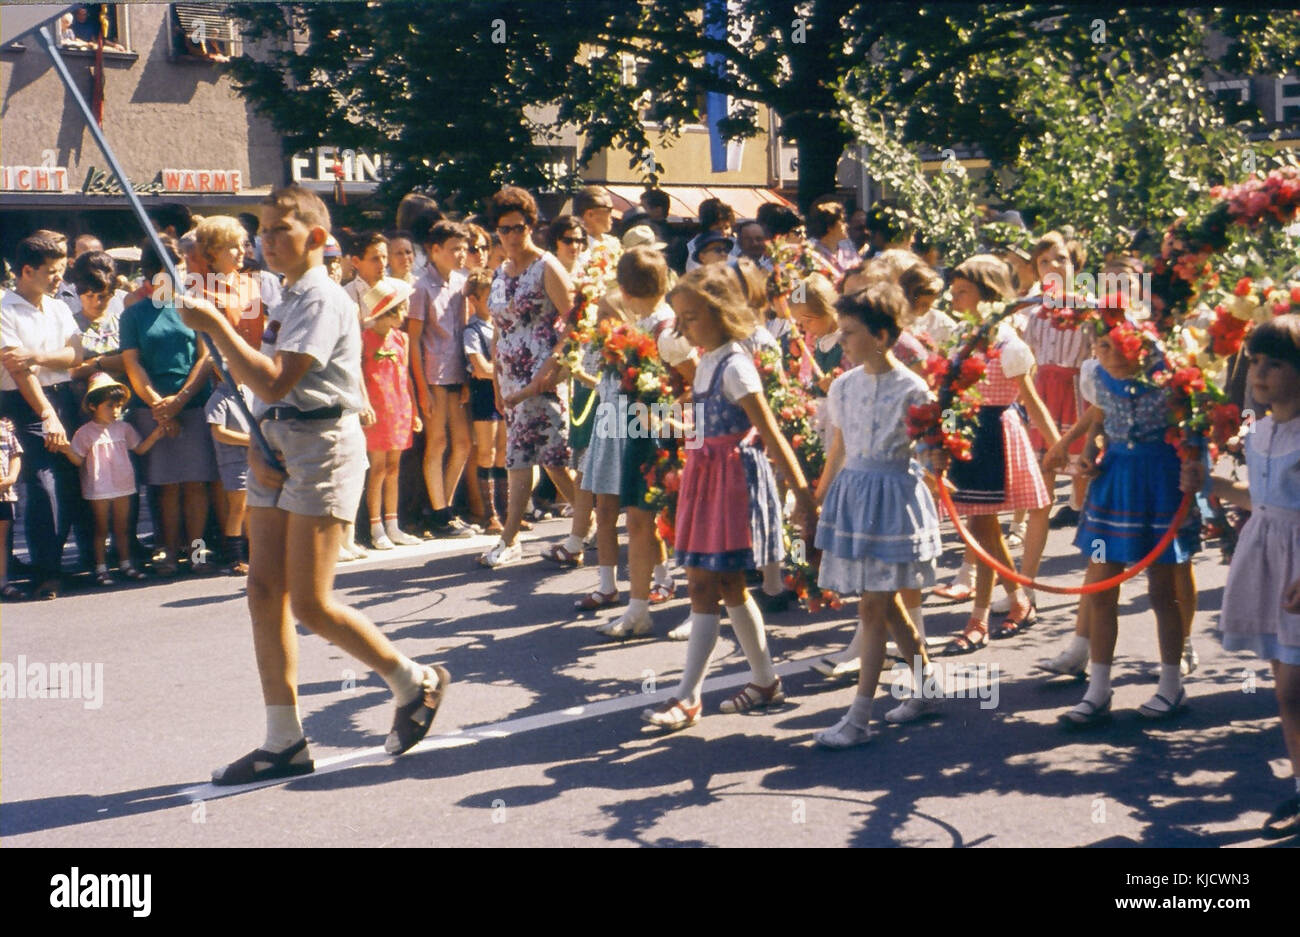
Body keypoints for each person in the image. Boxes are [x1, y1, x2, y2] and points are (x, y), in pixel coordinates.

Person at [176, 184, 449, 784]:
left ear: (318, 239)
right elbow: (266, 395)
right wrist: (256, 440)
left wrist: (217, 324)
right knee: (262, 593)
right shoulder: (289, 294)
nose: (266, 241)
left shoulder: (323, 298)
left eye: (280, 230)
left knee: (310, 601)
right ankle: (283, 740)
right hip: (277, 443)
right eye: (263, 231)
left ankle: (414, 681)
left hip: (322, 446)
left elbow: (276, 380)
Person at [642, 265, 815, 729]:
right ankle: (765, 680)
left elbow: (770, 432)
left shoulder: (736, 365)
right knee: (724, 586)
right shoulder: (707, 362)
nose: (682, 327)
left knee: (705, 584)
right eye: (679, 317)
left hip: (732, 482)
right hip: (706, 476)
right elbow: (709, 426)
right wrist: (682, 431)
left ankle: (687, 696)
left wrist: (801, 493)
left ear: (721, 314)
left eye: (691, 316)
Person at [1051, 315, 1202, 727]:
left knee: (1162, 588)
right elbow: (1100, 419)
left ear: (1140, 346)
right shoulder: (1097, 376)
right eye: (1101, 345)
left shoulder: (1169, 379)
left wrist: (1194, 473)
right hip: (1113, 485)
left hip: (1160, 485)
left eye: (1119, 344)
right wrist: (1087, 452)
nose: (1110, 353)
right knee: (1100, 586)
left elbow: (1194, 429)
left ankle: (1171, 685)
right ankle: (1098, 690)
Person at [813, 284, 944, 747]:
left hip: (892, 500)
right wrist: (822, 492)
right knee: (883, 604)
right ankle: (926, 686)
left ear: (883, 336)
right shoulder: (844, 386)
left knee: (874, 605)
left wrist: (939, 454)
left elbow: (928, 453)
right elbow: (841, 444)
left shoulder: (914, 388)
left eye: (851, 333)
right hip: (854, 496)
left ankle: (858, 717)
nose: (842, 341)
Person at [1187, 315, 1300, 837]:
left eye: (1275, 363)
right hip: (1271, 559)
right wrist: (1214, 486)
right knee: (1287, 691)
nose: (1260, 372)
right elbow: (1263, 500)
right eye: (1255, 361)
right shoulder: (1259, 432)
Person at [940, 255, 1058, 655]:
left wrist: (1056, 446)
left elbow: (1031, 401)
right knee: (984, 528)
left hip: (992, 434)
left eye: (962, 290)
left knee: (983, 528)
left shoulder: (1008, 343)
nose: (953, 296)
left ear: (986, 293)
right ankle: (1019, 601)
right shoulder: (963, 333)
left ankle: (979, 618)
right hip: (966, 431)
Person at [575, 248, 694, 633]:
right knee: (641, 519)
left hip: (660, 432)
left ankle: (696, 602)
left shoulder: (666, 330)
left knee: (670, 519)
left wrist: (667, 409)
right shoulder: (638, 328)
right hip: (636, 429)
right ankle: (637, 606)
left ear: (624, 292)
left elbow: (696, 380)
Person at [479, 186, 578, 568]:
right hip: (510, 376)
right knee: (519, 459)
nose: (512, 236)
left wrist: (553, 364)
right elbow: (498, 328)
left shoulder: (546, 265)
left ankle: (590, 524)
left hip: (542, 375)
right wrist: (495, 377)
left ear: (531, 227)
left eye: (519, 228)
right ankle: (512, 536)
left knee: (554, 459)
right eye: (504, 230)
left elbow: (574, 319)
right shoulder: (500, 273)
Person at [120, 234, 219, 577]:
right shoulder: (134, 314)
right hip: (151, 409)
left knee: (195, 485)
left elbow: (205, 358)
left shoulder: (195, 306)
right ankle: (169, 552)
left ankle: (195, 553)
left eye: (176, 266)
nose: (172, 274)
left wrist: (180, 400)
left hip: (192, 404)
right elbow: (133, 364)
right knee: (165, 488)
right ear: (149, 272)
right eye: (164, 268)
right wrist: (159, 405)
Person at [0, 231, 85, 599]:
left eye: (62, 269)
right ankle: (46, 573)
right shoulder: (4, 309)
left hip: (63, 396)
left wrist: (36, 357)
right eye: (51, 271)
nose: (59, 278)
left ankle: (67, 565)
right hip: (24, 403)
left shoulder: (59, 307)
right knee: (42, 485)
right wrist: (47, 414)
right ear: (26, 271)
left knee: (70, 483)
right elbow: (18, 373)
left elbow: (76, 355)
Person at [57, 373, 165, 584]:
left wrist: (156, 434)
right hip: (98, 487)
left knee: (123, 527)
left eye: (119, 406)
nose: (116, 411)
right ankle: (101, 568)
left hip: (123, 483)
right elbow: (78, 459)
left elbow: (140, 448)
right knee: (100, 528)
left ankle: (126, 564)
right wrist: (64, 448)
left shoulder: (124, 428)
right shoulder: (84, 432)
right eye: (109, 406)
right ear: (92, 406)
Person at [409, 220, 475, 538]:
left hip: (456, 372)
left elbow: (463, 330)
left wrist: (465, 378)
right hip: (432, 374)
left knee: (463, 443)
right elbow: (413, 340)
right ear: (434, 250)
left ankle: (445, 509)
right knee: (437, 442)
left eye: (464, 248)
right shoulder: (420, 286)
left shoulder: (462, 284)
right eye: (454, 249)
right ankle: (438, 512)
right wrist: (421, 388)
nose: (461, 255)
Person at [1024, 231, 1093, 530]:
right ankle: (1037, 514)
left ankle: (1081, 510)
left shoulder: (1088, 308)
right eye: (1044, 262)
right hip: (1044, 388)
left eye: (1061, 260)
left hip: (1076, 386)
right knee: (1044, 457)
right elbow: (1029, 353)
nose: (1052, 266)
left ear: (1076, 267)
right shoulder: (1034, 312)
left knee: (1078, 456)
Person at [360, 278, 423, 549]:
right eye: (401, 307)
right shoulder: (364, 338)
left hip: (399, 408)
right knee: (377, 468)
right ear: (388, 311)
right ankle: (376, 527)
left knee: (394, 468)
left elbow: (406, 376)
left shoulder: (402, 338)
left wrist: (414, 411)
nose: (405, 312)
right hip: (376, 410)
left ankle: (393, 524)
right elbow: (359, 375)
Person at [463, 270, 506, 533]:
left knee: (503, 451)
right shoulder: (473, 330)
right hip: (485, 393)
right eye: (488, 297)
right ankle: (489, 514)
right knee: (486, 451)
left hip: (502, 393)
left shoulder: (500, 326)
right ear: (475, 299)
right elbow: (480, 367)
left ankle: (507, 511)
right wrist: (505, 372)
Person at [205, 378, 255, 575]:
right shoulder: (218, 398)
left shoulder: (250, 393)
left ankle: (255, 554)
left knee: (252, 508)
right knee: (238, 508)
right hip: (233, 461)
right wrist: (251, 440)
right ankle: (235, 557)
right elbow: (219, 433)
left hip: (253, 460)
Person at [66, 250, 129, 404]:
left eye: (103, 296)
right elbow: (72, 371)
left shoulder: (125, 313)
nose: (97, 303)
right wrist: (115, 362)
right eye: (89, 296)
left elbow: (132, 359)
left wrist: (95, 363)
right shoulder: (68, 323)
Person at [806, 199, 860, 277]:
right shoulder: (810, 250)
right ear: (829, 226)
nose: (846, 225)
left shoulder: (848, 246)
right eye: (842, 221)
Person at [0, 417, 23, 599]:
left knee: (1, 540)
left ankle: (3, 582)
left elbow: (15, 454)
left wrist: (12, 476)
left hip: (3, 494)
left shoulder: (4, 427)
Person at [683, 198, 736, 273]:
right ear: (706, 228)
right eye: (718, 228)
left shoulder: (737, 245)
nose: (723, 232)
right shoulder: (693, 248)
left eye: (726, 227)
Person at [573, 186, 621, 254]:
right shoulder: (575, 247)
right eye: (609, 209)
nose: (612, 214)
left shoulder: (613, 243)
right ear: (590, 214)